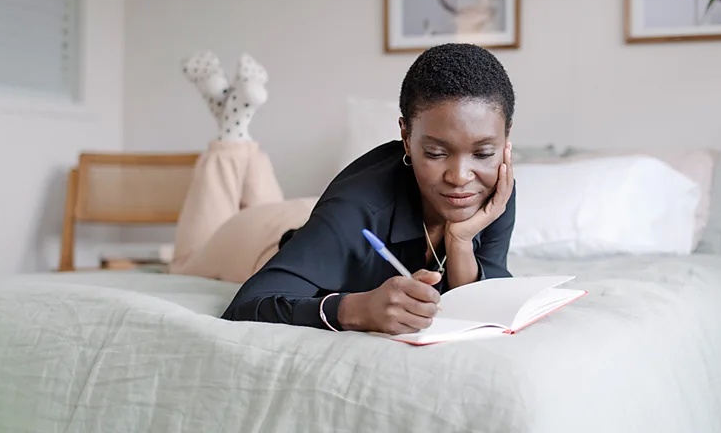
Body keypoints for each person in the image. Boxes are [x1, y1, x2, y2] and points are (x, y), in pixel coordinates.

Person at [219, 43, 517, 335]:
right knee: (193, 243)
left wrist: (460, 241)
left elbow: (479, 304)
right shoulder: (355, 207)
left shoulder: (493, 188)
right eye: (437, 153)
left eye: (483, 153)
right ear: (406, 136)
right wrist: (357, 310)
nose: (461, 178)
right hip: (254, 241)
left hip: (319, 225)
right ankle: (230, 130)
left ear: (505, 139)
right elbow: (244, 307)